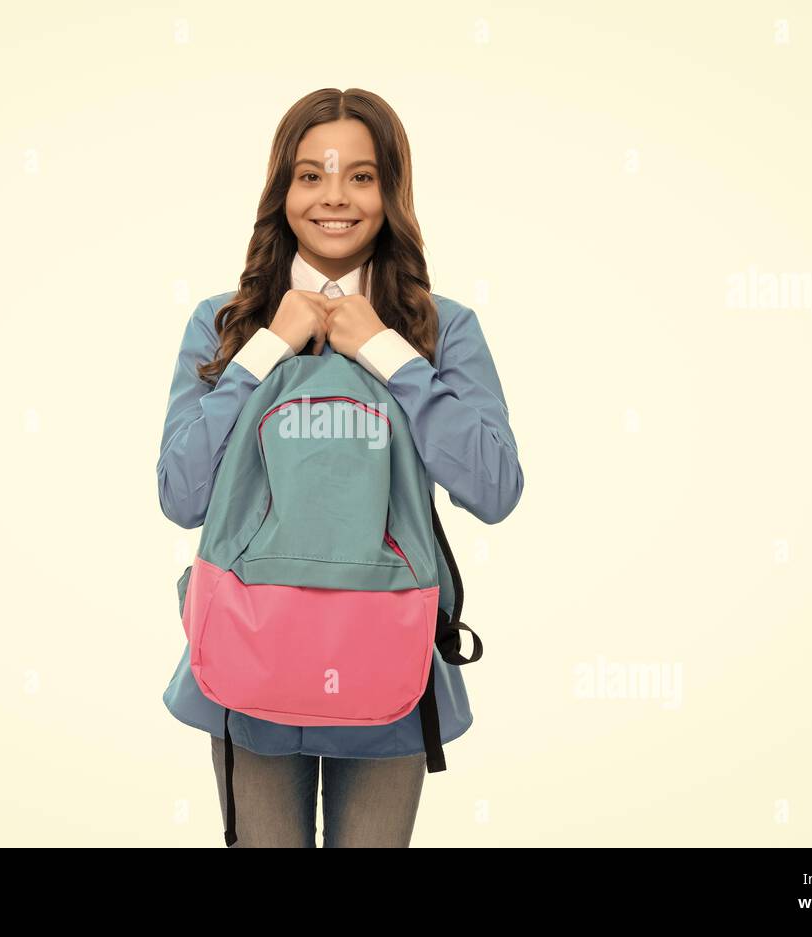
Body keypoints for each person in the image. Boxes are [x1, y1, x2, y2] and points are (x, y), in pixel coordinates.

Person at [157, 87, 524, 847]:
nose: (334, 197)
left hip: (389, 655)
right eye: (310, 174)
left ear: (392, 190)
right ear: (281, 192)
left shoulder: (440, 326)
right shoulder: (223, 324)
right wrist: (266, 347)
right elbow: (181, 493)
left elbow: (492, 487)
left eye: (360, 175)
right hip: (250, 657)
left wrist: (386, 350)